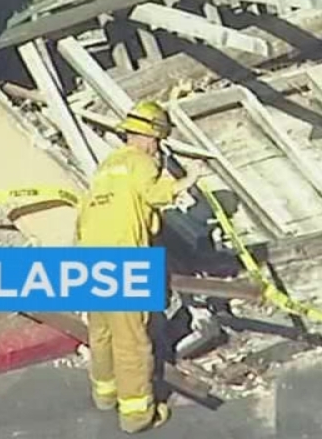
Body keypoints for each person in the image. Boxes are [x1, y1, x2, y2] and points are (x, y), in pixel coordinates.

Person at [76, 99, 200, 433]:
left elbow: (87, 214)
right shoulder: (142, 162)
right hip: (123, 261)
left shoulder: (106, 167)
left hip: (90, 259)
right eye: (158, 140)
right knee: (131, 342)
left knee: (101, 333)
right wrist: (187, 180)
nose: (157, 147)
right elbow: (154, 195)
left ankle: (105, 395)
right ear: (151, 137)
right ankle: (137, 416)